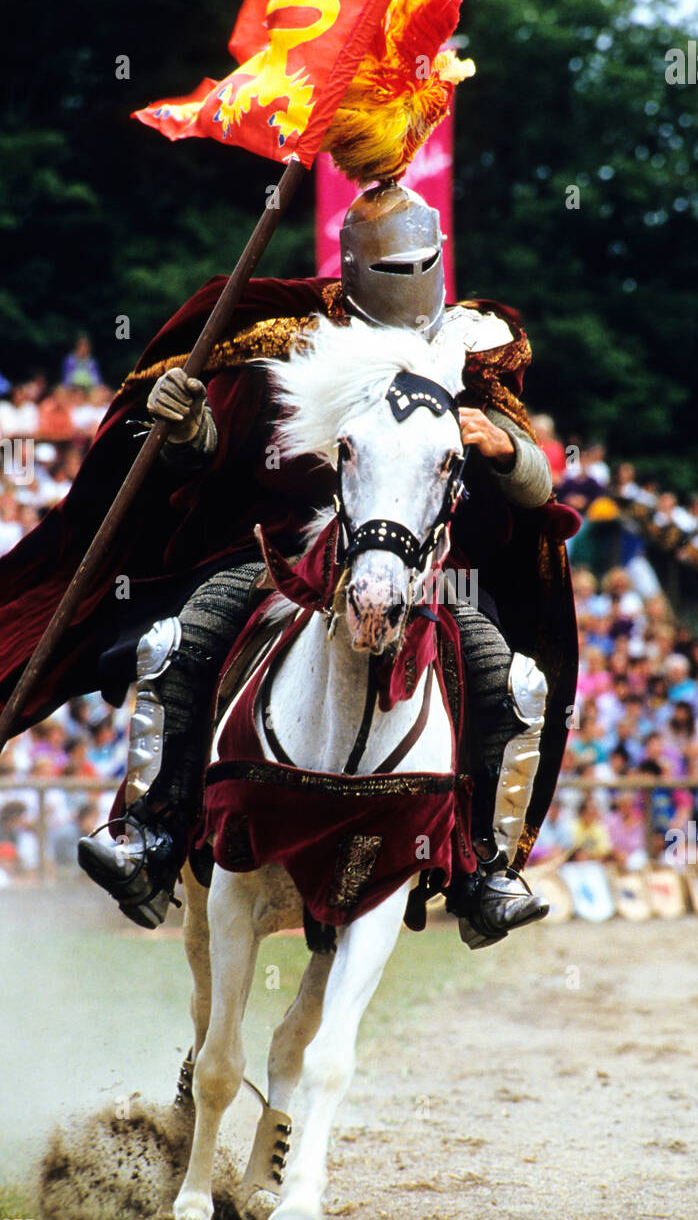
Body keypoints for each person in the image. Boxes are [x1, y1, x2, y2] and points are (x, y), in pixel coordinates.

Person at [1, 183, 579, 947]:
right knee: (183, 639)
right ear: (355, 265)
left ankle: (482, 865)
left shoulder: (473, 347)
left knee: (503, 674)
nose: (408, 276)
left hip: (425, 570)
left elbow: (536, 487)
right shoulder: (280, 333)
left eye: (419, 261)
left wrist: (508, 452)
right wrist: (189, 425)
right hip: (273, 557)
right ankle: (154, 826)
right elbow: (219, 457)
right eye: (392, 263)